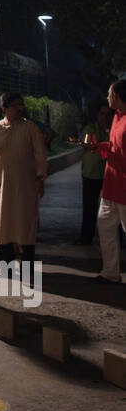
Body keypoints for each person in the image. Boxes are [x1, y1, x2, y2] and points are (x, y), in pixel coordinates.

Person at [0, 92, 47, 264]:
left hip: (26, 187)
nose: (20, 109)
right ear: (4, 108)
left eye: (21, 105)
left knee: (26, 226)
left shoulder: (31, 128)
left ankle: (27, 267)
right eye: (15, 106)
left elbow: (40, 155)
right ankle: (6, 266)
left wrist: (40, 178)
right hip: (3, 187)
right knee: (3, 226)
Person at [85, 80, 126, 283]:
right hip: (110, 186)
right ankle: (110, 272)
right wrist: (99, 147)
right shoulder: (117, 118)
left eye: (110, 93)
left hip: (124, 187)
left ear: (117, 96)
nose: (108, 96)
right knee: (105, 227)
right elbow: (114, 147)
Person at [75, 104, 113, 246]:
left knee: (112, 210)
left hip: (109, 175)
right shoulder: (90, 128)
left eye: (108, 114)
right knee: (89, 208)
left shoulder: (114, 129)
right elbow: (88, 144)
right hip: (91, 173)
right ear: (97, 115)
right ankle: (86, 237)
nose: (105, 117)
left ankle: (117, 239)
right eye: (102, 114)